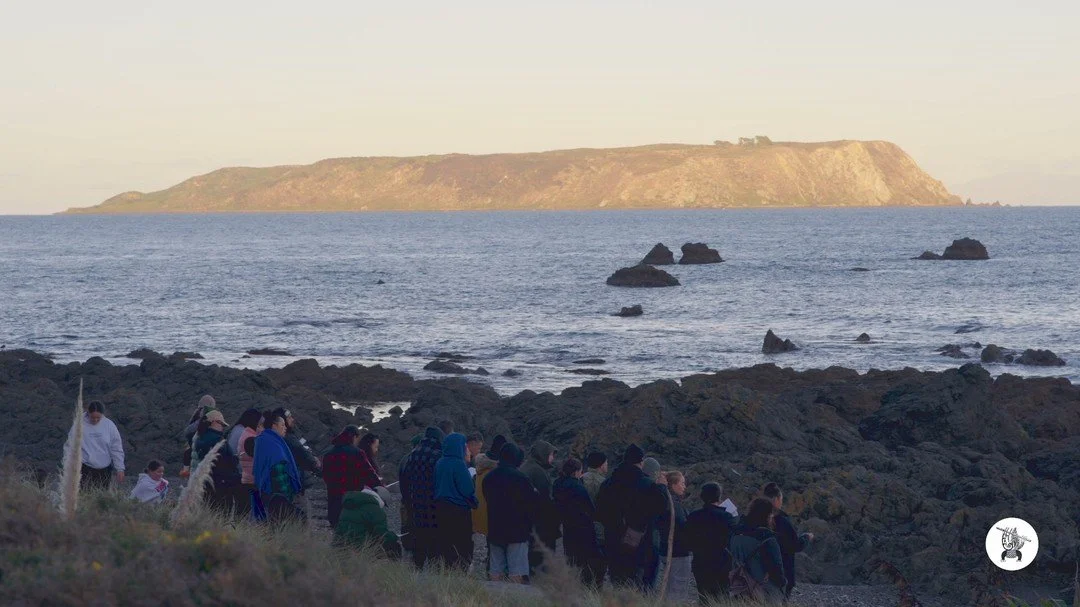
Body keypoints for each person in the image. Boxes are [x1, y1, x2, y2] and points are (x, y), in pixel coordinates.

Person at [595, 444, 667, 591]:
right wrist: (662, 487)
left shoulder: (608, 483)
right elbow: (660, 508)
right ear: (641, 462)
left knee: (619, 583)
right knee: (639, 586)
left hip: (613, 541)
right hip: (641, 543)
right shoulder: (647, 484)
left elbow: (599, 512)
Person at [482, 442, 537, 584]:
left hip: (495, 529)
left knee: (496, 572)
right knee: (517, 573)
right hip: (517, 532)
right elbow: (530, 506)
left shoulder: (489, 478)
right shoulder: (522, 479)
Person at [553, 457, 604, 588]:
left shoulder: (558, 484)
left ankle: (571, 585)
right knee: (585, 560)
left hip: (567, 527)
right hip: (583, 528)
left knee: (571, 559)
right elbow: (591, 509)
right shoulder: (577, 487)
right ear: (576, 472)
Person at [399, 426, 445, 568]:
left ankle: (416, 571)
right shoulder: (438, 455)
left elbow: (406, 480)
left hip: (415, 505)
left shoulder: (413, 454)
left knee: (418, 543)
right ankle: (434, 573)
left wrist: (407, 500)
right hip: (432, 506)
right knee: (434, 545)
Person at [685, 482, 737, 603]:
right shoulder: (727, 517)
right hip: (722, 564)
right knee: (722, 598)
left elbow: (687, 541)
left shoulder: (694, 516)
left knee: (703, 597)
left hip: (701, 563)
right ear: (719, 497)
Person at [728, 497, 787, 604]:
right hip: (762, 591)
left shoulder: (734, 534)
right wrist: (783, 582)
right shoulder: (767, 538)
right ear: (767, 515)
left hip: (739, 589)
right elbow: (776, 569)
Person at [434, 432, 478, 569]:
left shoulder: (440, 463)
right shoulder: (459, 465)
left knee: (445, 543)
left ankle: (445, 571)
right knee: (462, 544)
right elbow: (467, 489)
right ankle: (460, 572)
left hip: (440, 508)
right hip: (458, 510)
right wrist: (474, 501)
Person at [762, 483, 814, 599]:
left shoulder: (756, 518)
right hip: (782, 572)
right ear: (776, 499)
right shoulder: (782, 521)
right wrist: (806, 538)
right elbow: (794, 545)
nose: (781, 503)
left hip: (758, 572)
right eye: (781, 499)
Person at [253, 411, 303, 524]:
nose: (285, 428)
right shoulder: (274, 445)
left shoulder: (262, 439)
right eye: (282, 425)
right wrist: (288, 497)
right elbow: (278, 473)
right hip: (276, 496)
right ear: (274, 426)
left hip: (264, 493)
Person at [519, 440, 560, 573]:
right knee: (541, 558)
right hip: (539, 523)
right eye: (551, 454)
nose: (553, 458)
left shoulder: (526, 467)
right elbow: (545, 500)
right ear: (543, 454)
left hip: (526, 520)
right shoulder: (538, 472)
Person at [66, 400, 125, 492]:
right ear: (88, 413)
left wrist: (120, 468)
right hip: (85, 467)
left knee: (101, 496)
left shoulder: (109, 425)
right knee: (84, 494)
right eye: (92, 417)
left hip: (105, 469)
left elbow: (116, 448)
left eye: (98, 418)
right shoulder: (79, 425)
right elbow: (71, 447)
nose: (95, 420)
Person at [193, 409, 242, 513]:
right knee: (222, 515)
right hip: (222, 485)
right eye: (222, 424)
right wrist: (236, 459)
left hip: (206, 482)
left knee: (208, 514)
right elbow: (226, 463)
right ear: (214, 422)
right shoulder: (218, 441)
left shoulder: (199, 438)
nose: (223, 427)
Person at [335, 486, 402, 559]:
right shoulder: (375, 510)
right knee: (395, 546)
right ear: (381, 500)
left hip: (339, 546)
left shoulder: (350, 503)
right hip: (360, 548)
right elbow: (381, 535)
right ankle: (393, 568)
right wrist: (394, 536)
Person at [655, 470, 691, 602]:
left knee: (670, 587)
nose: (684, 486)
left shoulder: (663, 501)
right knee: (677, 589)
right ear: (673, 485)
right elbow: (682, 527)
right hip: (678, 552)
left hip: (666, 549)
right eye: (682, 483)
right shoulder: (673, 504)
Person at [322, 425, 365, 527]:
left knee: (336, 528)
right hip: (352, 499)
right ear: (354, 437)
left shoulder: (329, 454)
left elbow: (325, 475)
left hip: (334, 499)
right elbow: (366, 473)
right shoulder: (358, 453)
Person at [237, 409, 263, 516]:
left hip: (247, 478)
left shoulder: (246, 434)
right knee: (256, 512)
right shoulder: (251, 438)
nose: (262, 427)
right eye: (260, 424)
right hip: (252, 480)